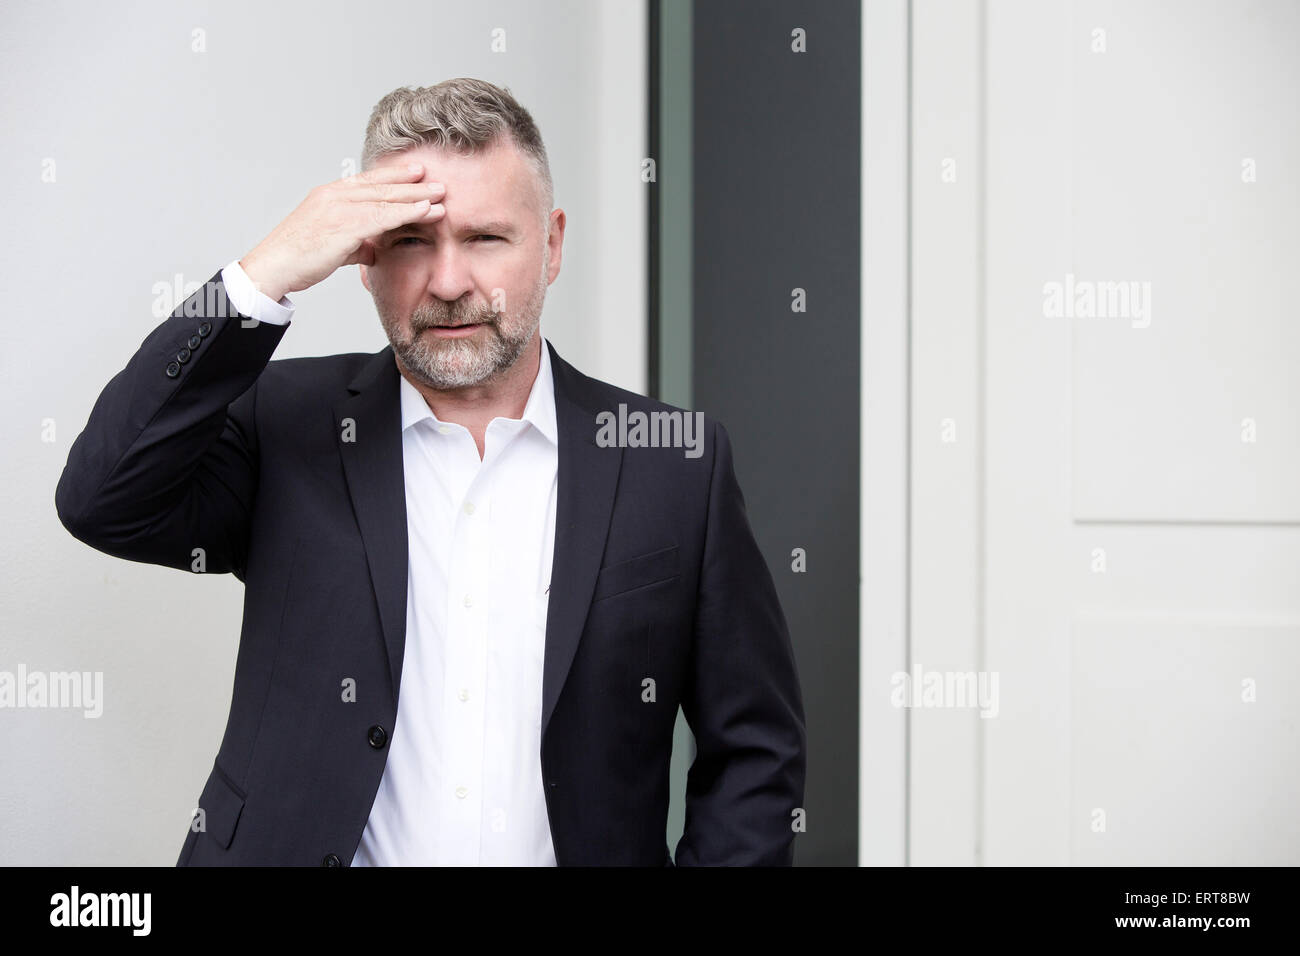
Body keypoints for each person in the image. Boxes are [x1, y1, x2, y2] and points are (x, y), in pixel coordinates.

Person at [54, 78, 806, 866]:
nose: (448, 285)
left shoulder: (674, 462)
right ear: (362, 260)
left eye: (486, 239)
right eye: (412, 241)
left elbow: (754, 748)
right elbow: (102, 498)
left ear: (551, 246)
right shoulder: (285, 422)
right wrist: (263, 272)